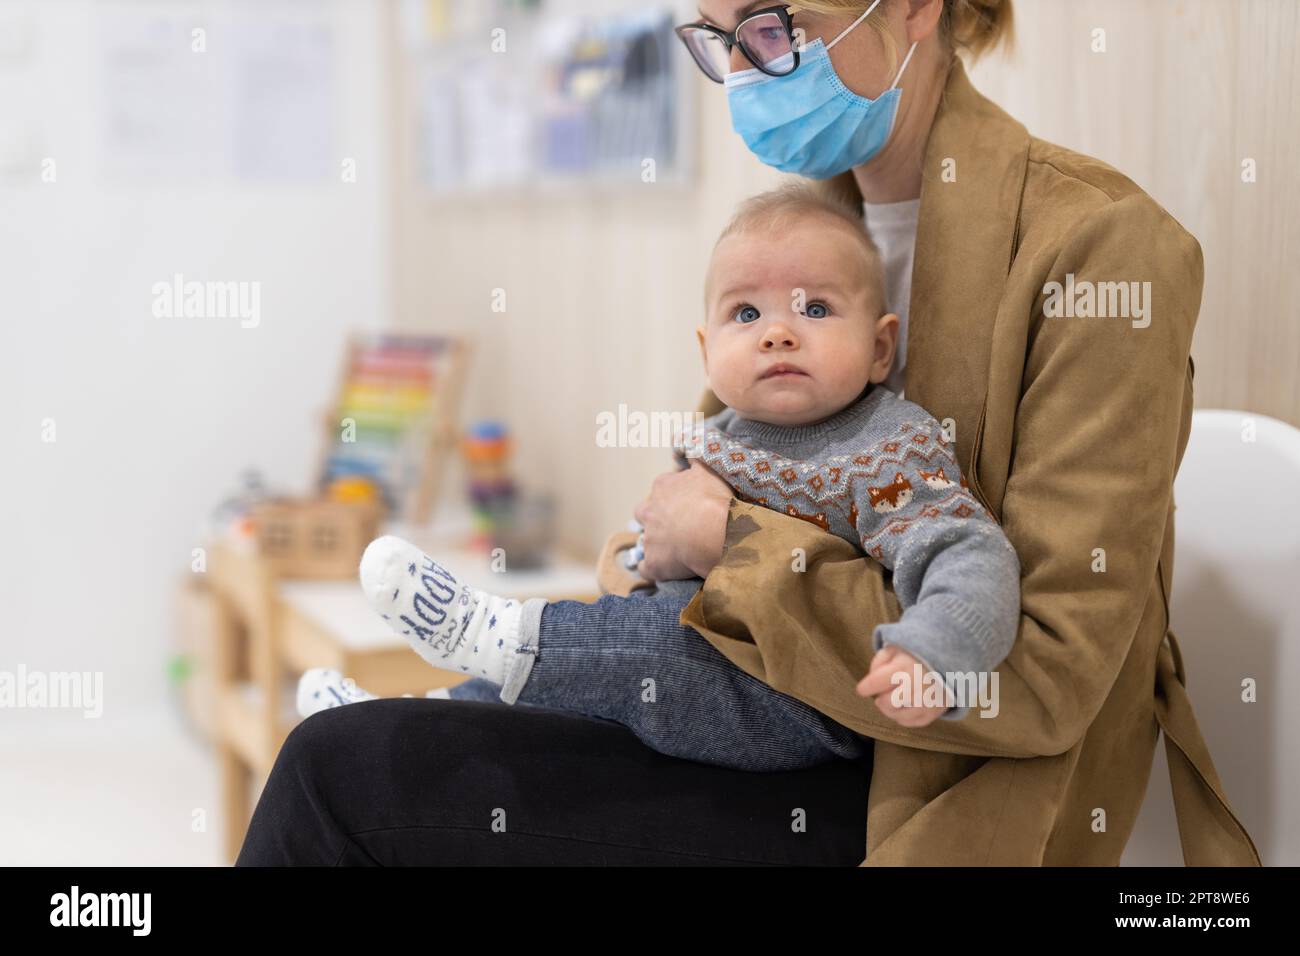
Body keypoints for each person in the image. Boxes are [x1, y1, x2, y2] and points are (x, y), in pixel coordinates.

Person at [237, 0, 1259, 866]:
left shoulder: (1098, 248)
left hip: (925, 782)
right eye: (719, 42)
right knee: (369, 743)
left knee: (345, 774)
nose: (746, 77)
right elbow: (679, 515)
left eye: (776, 30)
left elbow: (1041, 672)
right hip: (734, 706)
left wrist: (732, 547)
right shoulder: (797, 237)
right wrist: (659, 554)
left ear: (915, 8)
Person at [293, 182, 1021, 780]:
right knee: (577, 673)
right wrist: (647, 558)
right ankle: (403, 720)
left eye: (817, 309)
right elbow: (657, 552)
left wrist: (934, 654)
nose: (778, 332)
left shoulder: (886, 447)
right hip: (684, 658)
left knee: (652, 641)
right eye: (746, 313)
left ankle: (499, 635)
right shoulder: (721, 435)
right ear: (708, 351)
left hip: (796, 701)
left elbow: (967, 555)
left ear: (879, 347)